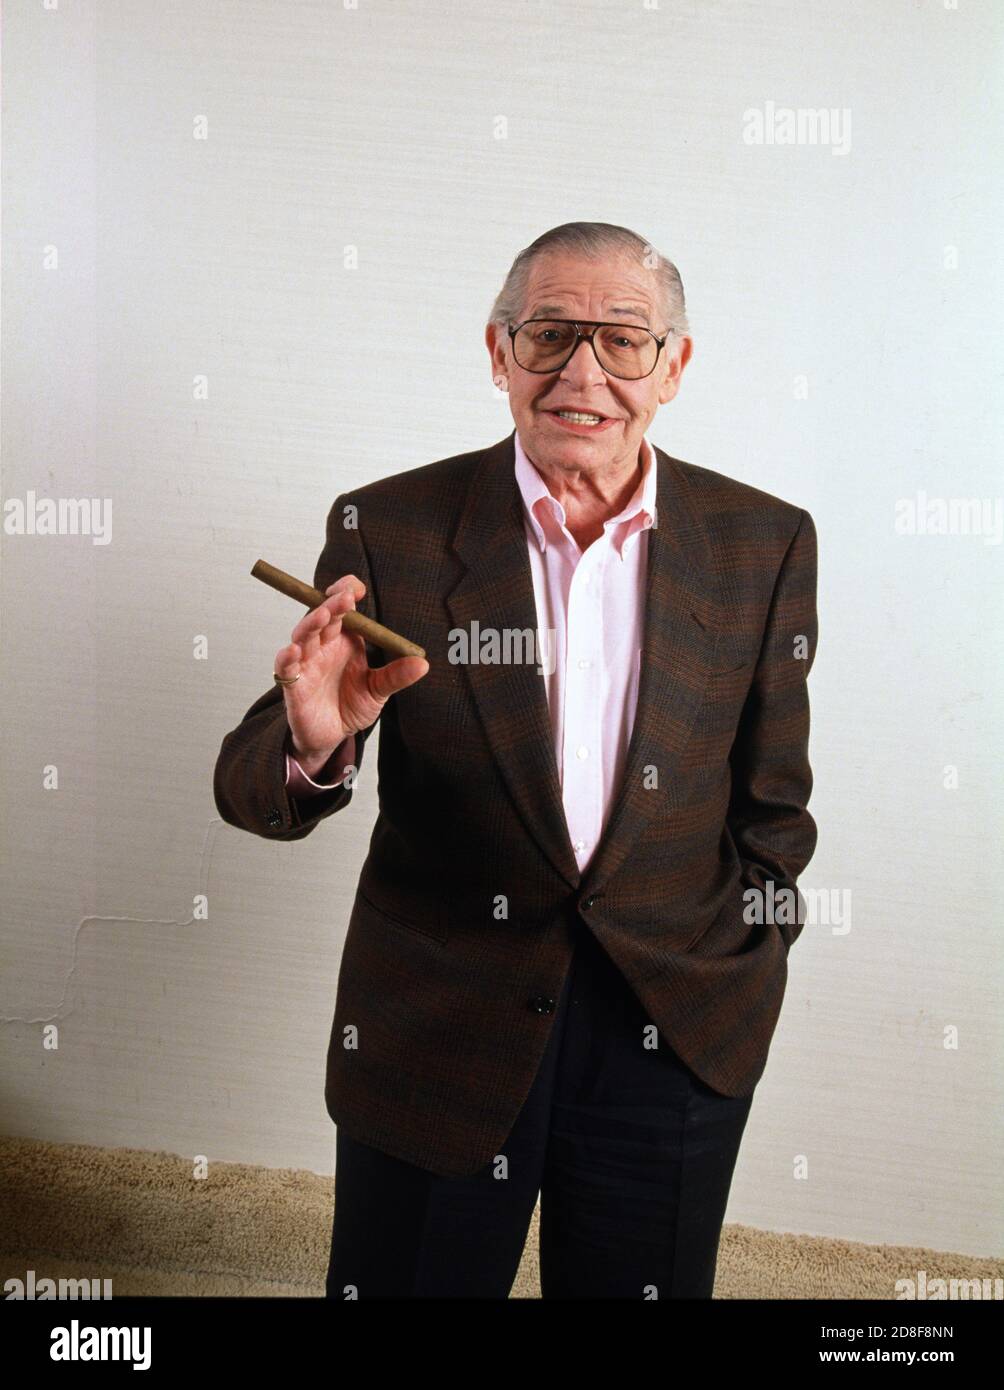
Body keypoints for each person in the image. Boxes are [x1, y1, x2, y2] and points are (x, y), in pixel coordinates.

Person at [213, 221, 819, 1299]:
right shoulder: (388, 526)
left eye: (621, 340)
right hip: (439, 1033)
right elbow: (250, 782)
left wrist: (750, 953)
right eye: (547, 335)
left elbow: (773, 803)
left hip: (671, 1027)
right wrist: (317, 742)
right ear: (497, 354)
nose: (580, 372)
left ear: (672, 365)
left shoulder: (762, 541)